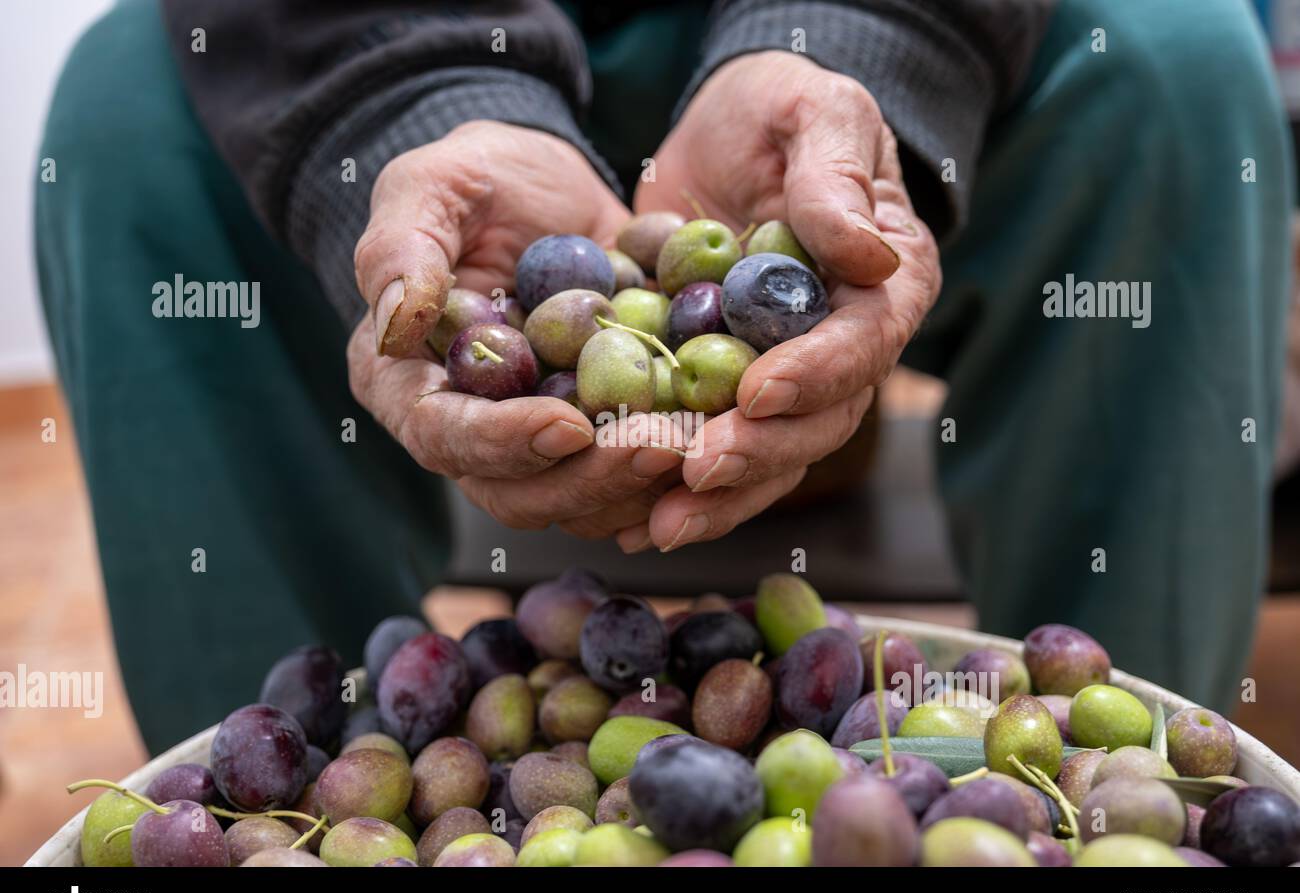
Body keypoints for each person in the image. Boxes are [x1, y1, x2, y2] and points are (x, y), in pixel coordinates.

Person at [38, 0, 1291, 753]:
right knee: (127, 128)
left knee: (1170, 66)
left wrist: (862, 40)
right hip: (421, 26)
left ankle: (1101, 805)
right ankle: (307, 789)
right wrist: (410, 99)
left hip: (849, 46)